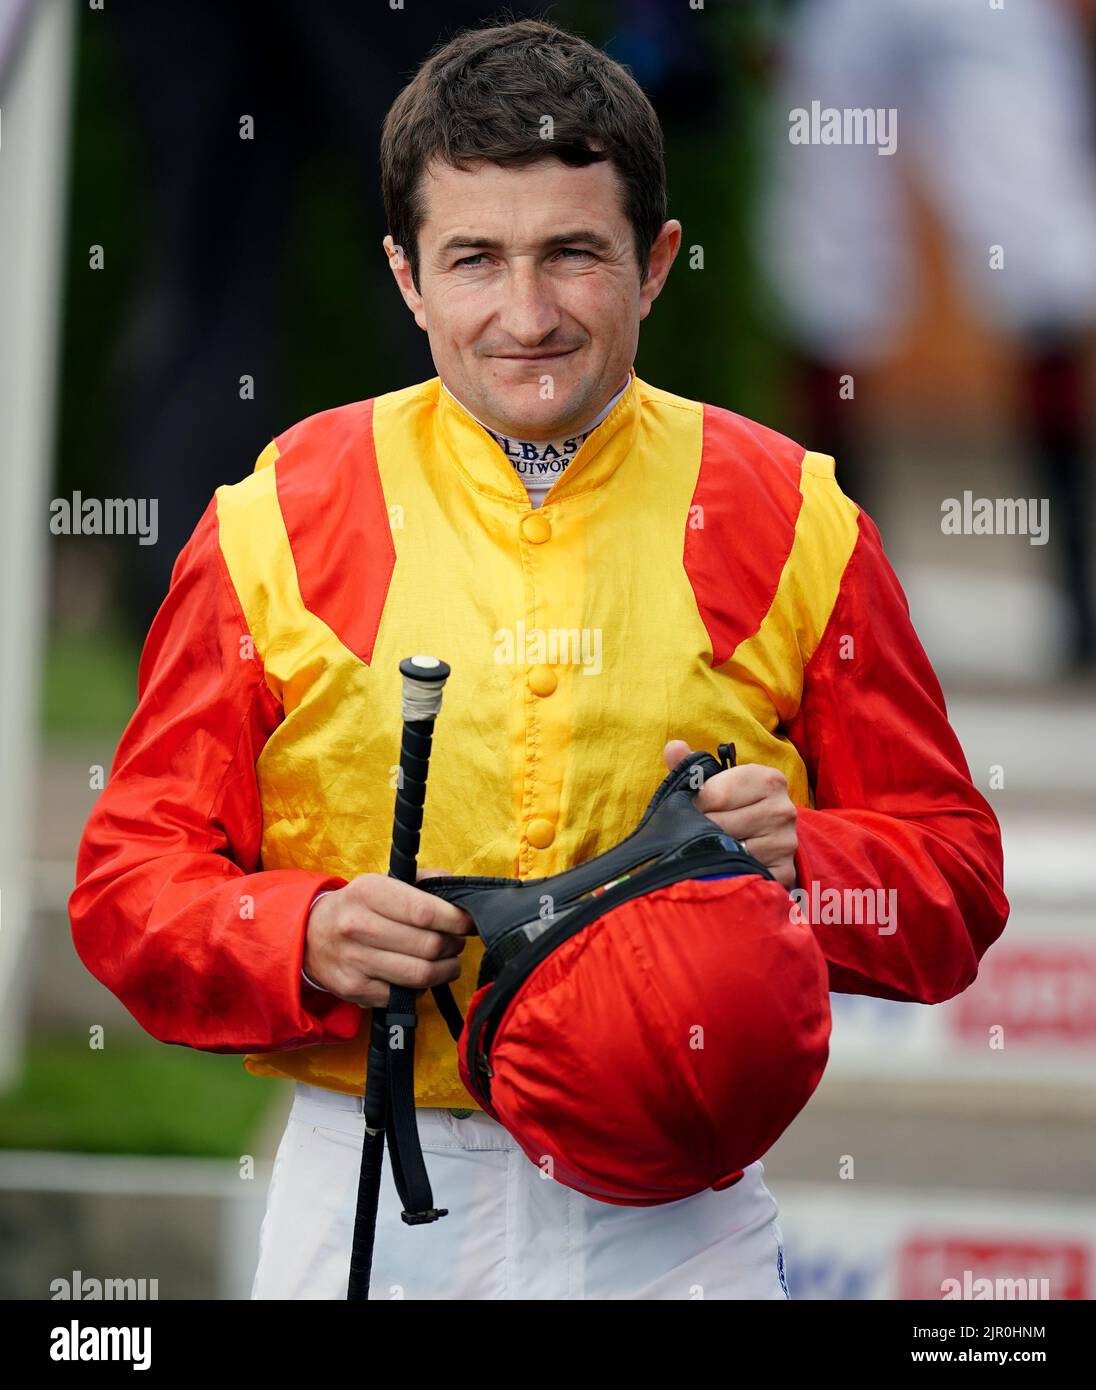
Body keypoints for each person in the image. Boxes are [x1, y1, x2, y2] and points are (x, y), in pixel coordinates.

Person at [69, 17, 1009, 1301]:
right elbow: (126, 885)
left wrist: (812, 856)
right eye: (475, 259)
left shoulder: (796, 514)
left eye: (572, 254)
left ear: (656, 261)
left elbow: (954, 882)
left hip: (680, 1213)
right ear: (405, 275)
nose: (524, 314)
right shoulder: (275, 513)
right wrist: (299, 933)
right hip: (366, 1191)